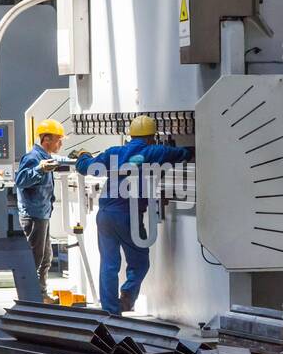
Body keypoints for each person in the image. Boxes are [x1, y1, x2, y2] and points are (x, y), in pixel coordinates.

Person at [73, 115, 193, 315]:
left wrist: (83, 155)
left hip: (105, 215)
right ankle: (127, 296)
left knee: (109, 264)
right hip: (129, 216)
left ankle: (111, 311)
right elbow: (184, 153)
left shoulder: (114, 152)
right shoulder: (155, 150)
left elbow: (85, 167)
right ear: (151, 137)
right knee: (139, 262)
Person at [15, 119, 65, 302]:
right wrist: (39, 169)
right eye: (58, 139)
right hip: (33, 215)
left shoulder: (45, 157)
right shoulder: (33, 158)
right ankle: (30, 297)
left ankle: (41, 294)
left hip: (42, 213)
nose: (61, 143)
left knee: (45, 257)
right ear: (46, 139)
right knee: (34, 258)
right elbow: (21, 181)